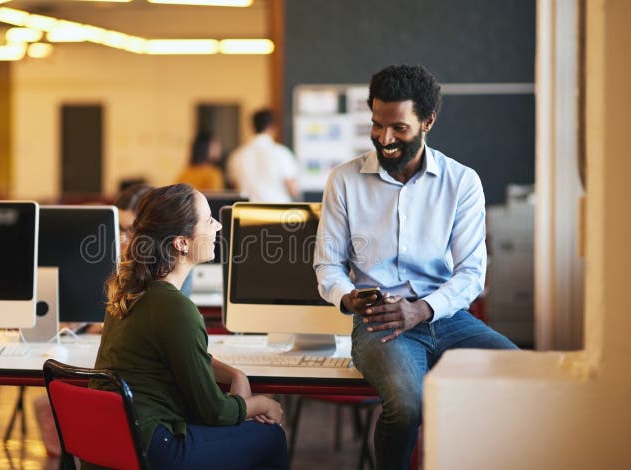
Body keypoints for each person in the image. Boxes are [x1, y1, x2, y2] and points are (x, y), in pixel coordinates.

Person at [313, 64, 518, 470]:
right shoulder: (344, 180)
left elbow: (472, 273)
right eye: (377, 125)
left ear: (428, 122)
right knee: (407, 405)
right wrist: (349, 298)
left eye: (399, 128)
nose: (385, 139)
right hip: (380, 321)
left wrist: (422, 309)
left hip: (446, 317)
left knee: (521, 374)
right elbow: (328, 264)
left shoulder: (461, 182)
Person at [91, 183, 288, 470]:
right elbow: (213, 411)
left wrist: (234, 374)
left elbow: (184, 357)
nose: (219, 226)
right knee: (270, 437)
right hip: (154, 448)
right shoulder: (175, 308)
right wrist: (261, 404)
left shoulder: (128, 293)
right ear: (181, 243)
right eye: (208, 220)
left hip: (113, 443)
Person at [227, 109, 299, 202]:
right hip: (278, 208)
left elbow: (234, 189)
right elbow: (293, 189)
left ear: (252, 127)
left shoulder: (237, 155)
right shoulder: (282, 153)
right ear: (272, 127)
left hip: (247, 209)